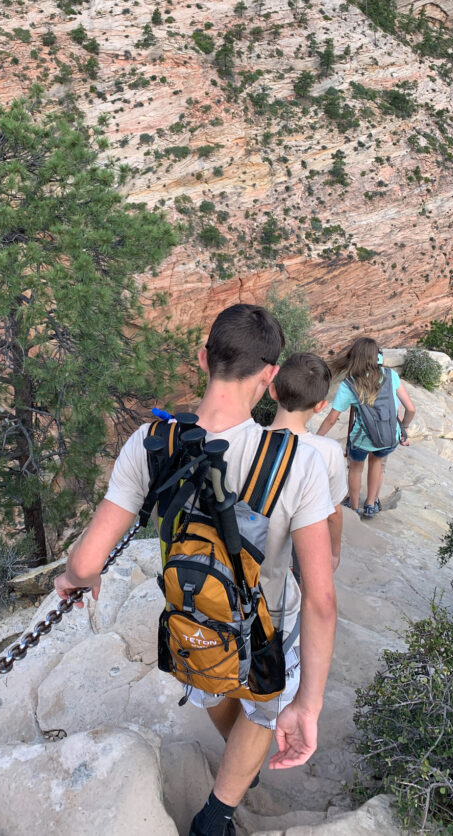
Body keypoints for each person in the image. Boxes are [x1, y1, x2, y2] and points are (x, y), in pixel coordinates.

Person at [54, 304, 337, 836]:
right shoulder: (296, 459)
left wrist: (74, 579)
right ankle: (217, 816)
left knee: (213, 681)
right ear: (271, 377)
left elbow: (86, 562)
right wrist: (310, 703)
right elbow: (321, 599)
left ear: (203, 357)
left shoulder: (152, 441)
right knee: (262, 707)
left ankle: (237, 765)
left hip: (193, 615)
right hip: (269, 625)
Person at [317, 337, 415, 519]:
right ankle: (370, 504)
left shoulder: (349, 384)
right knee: (376, 462)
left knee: (355, 469)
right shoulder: (390, 375)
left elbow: (331, 419)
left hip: (362, 439)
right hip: (388, 437)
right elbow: (411, 408)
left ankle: (354, 507)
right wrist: (404, 430)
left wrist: (316, 438)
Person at [269, 352, 347, 574]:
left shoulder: (253, 438)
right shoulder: (329, 451)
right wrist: (334, 553)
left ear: (272, 390)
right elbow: (333, 514)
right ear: (321, 405)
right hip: (304, 541)